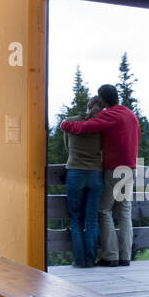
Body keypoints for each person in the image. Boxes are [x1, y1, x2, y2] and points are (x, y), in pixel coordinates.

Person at [60, 83, 139, 267]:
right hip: (130, 167)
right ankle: (125, 256)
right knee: (125, 211)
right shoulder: (130, 114)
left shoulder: (110, 115)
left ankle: (111, 256)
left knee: (104, 210)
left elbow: (85, 127)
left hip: (113, 168)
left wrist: (65, 124)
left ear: (102, 99)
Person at [62, 96, 105, 268]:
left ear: (88, 105)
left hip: (75, 172)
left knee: (76, 218)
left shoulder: (70, 122)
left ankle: (79, 261)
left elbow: (67, 147)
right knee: (92, 220)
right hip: (95, 173)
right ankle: (90, 259)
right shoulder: (102, 128)